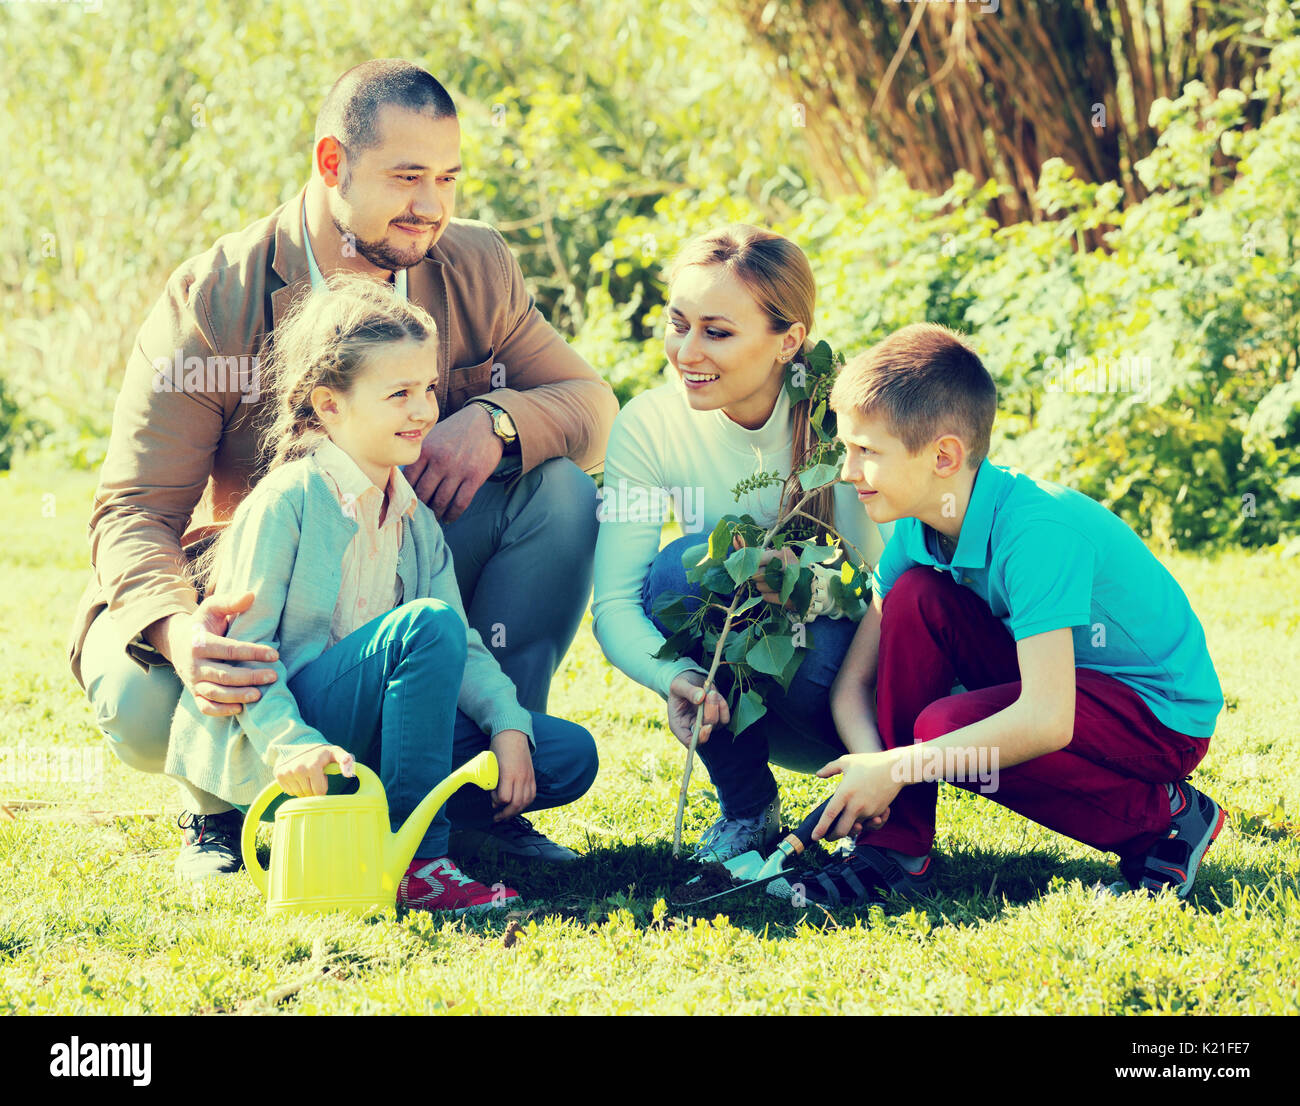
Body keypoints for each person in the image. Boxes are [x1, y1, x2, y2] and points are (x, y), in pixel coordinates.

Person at [68, 60, 615, 878]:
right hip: (254, 595)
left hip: (400, 570)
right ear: (332, 164)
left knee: (564, 494)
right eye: (405, 178)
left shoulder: (477, 264)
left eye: (446, 179)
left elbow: (590, 404)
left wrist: (495, 423)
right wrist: (181, 637)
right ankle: (221, 817)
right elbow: (135, 510)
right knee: (149, 709)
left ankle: (486, 785)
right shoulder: (214, 296)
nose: (431, 206)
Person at [165, 273, 597, 910]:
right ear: (330, 404)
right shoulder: (288, 501)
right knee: (426, 626)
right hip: (290, 740)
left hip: (368, 739)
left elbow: (469, 645)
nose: (424, 410)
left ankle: (394, 805)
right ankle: (419, 864)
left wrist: (507, 725)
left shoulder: (413, 515)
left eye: (428, 389)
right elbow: (247, 660)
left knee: (563, 754)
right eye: (399, 393)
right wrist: (294, 745)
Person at [795, 322, 1225, 907]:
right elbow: (855, 684)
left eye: (866, 451)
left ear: (944, 455)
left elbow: (1047, 720)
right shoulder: (915, 534)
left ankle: (1167, 818)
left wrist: (899, 768)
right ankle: (897, 847)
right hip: (1069, 686)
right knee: (918, 597)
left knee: (944, 733)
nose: (847, 471)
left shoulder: (1036, 532)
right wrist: (874, 770)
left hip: (1157, 718)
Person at [591, 225, 891, 863]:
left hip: (859, 692)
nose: (686, 352)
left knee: (705, 564)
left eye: (717, 332)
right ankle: (750, 809)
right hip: (742, 703)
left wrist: (811, 588)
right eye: (678, 324)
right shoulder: (646, 425)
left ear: (789, 341)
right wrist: (677, 678)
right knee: (682, 570)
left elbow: (908, 587)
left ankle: (881, 802)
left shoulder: (851, 418)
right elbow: (615, 606)